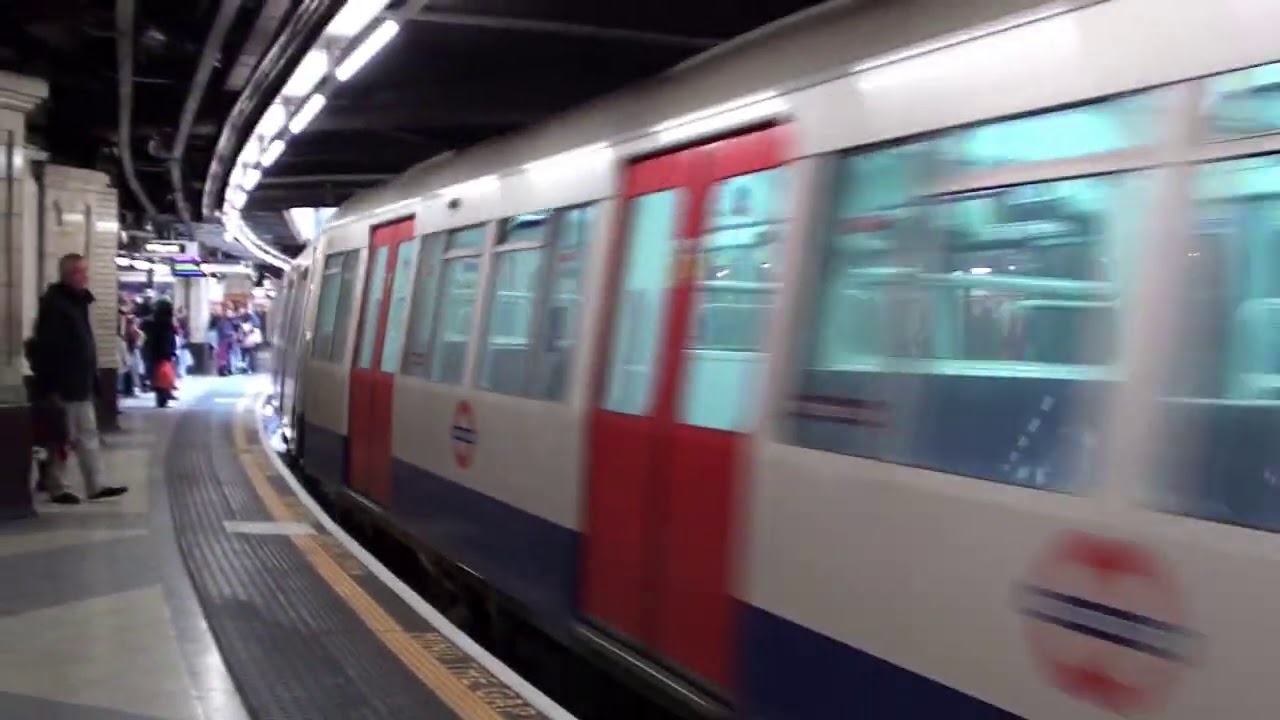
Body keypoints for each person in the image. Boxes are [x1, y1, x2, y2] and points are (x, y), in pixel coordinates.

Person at [32, 253, 128, 504]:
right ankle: (57, 486)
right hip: (63, 385)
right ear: (69, 274)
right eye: (80, 272)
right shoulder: (56, 305)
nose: (86, 276)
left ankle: (96, 485)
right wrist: (51, 387)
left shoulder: (78, 303)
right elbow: (48, 349)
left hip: (81, 382)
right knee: (61, 437)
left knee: (87, 435)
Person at [143, 298, 178, 407]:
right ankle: (164, 397)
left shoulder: (150, 322)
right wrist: (171, 351)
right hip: (164, 353)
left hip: (153, 353)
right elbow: (170, 338)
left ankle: (161, 397)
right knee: (164, 375)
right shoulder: (167, 322)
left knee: (157, 376)